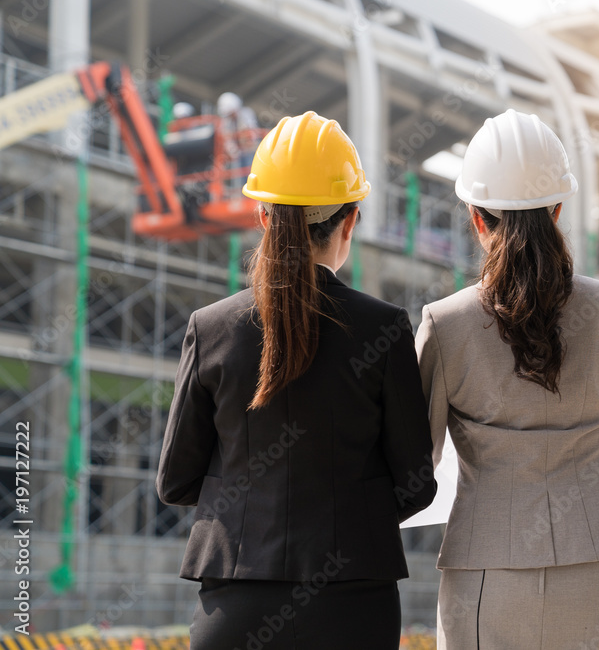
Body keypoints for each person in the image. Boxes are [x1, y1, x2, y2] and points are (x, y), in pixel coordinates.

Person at [156, 111, 436, 649]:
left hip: (234, 601)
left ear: (263, 216)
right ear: (349, 220)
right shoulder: (383, 328)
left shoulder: (210, 328)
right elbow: (417, 484)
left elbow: (176, 481)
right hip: (354, 604)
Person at [415, 109, 599, 649]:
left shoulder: (446, 325)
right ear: (557, 209)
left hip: (485, 565)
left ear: (476, 217)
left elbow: (416, 464)